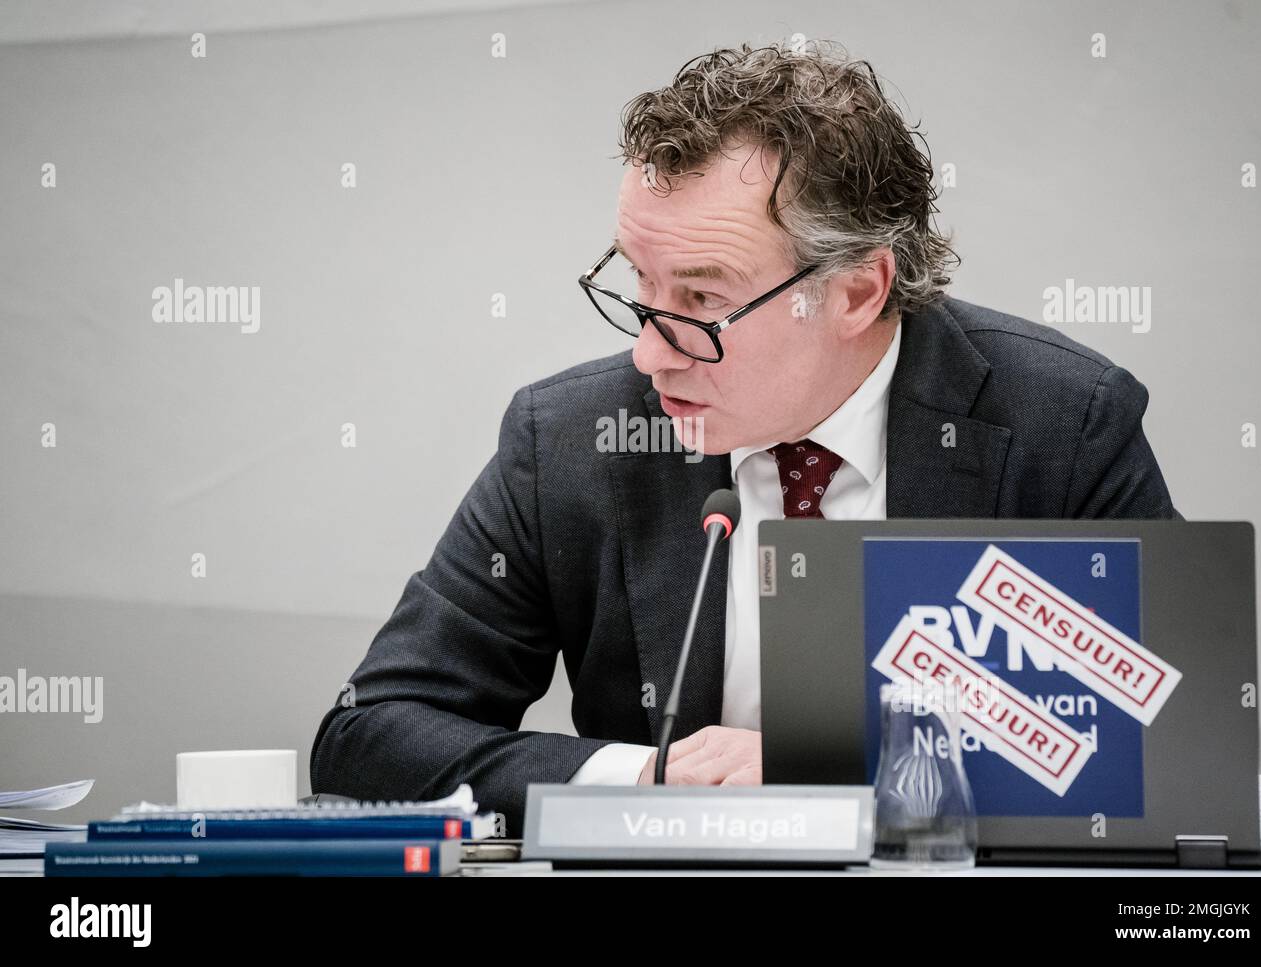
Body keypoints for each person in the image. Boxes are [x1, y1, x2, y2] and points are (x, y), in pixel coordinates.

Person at [310, 41, 1178, 835]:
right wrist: (641, 780)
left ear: (856, 293)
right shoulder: (572, 440)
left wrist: (842, 767)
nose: (651, 351)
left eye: (700, 298)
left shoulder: (1062, 424)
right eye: (640, 283)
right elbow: (370, 732)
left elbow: (1167, 741)